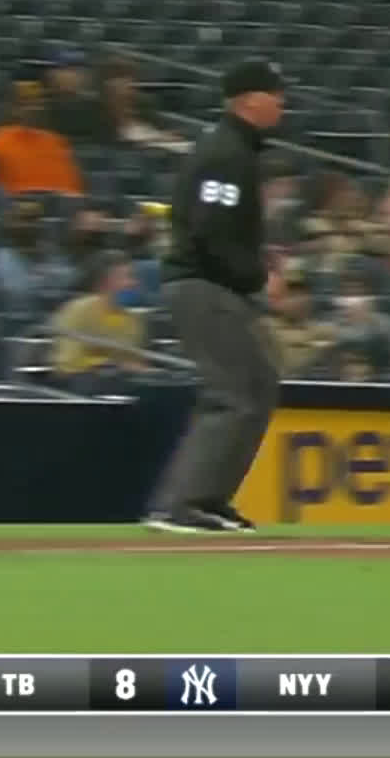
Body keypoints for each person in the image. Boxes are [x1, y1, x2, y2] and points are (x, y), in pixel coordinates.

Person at [146, 57, 287, 534]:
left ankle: (209, 498)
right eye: (274, 94)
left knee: (258, 385)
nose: (281, 102)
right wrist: (251, 275)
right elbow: (212, 228)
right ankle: (184, 503)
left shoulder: (235, 150)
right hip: (205, 285)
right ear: (249, 99)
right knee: (234, 392)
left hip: (213, 286)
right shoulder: (225, 152)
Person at [49, 252, 146, 395]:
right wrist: (112, 365)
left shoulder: (133, 320)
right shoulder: (77, 311)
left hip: (121, 384)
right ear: (105, 282)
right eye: (127, 277)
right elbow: (67, 365)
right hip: (80, 385)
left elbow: (134, 362)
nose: (133, 283)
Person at [0, 81, 84, 197]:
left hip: (60, 207)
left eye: (37, 103)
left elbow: (73, 190)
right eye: (26, 103)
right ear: (14, 108)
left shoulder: (57, 142)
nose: (33, 108)